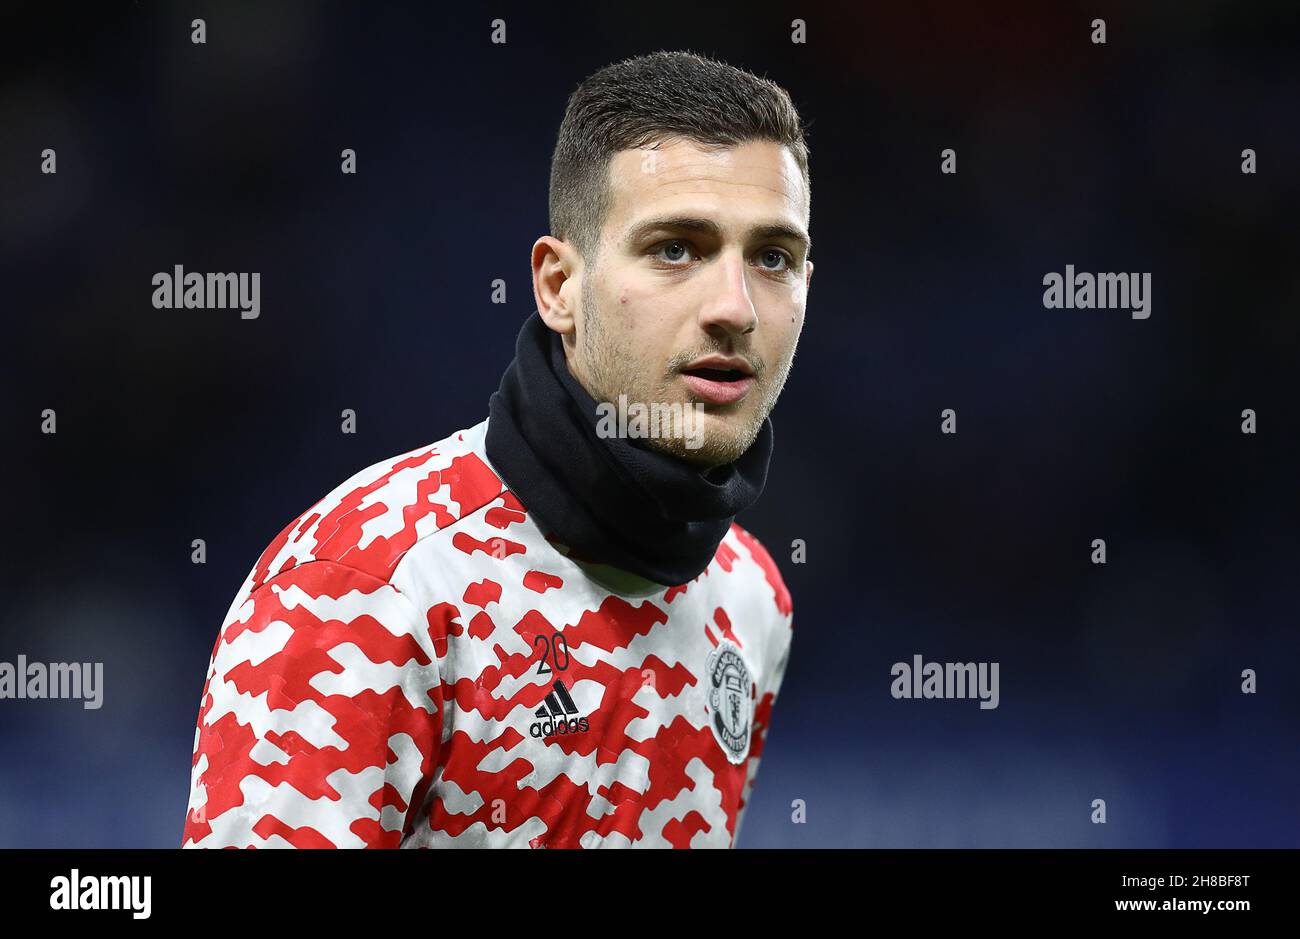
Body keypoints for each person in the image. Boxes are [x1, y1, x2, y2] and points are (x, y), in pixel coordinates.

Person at [182, 49, 813, 848]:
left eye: (772, 257)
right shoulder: (365, 587)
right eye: (675, 248)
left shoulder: (751, 600)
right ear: (558, 287)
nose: (735, 307)